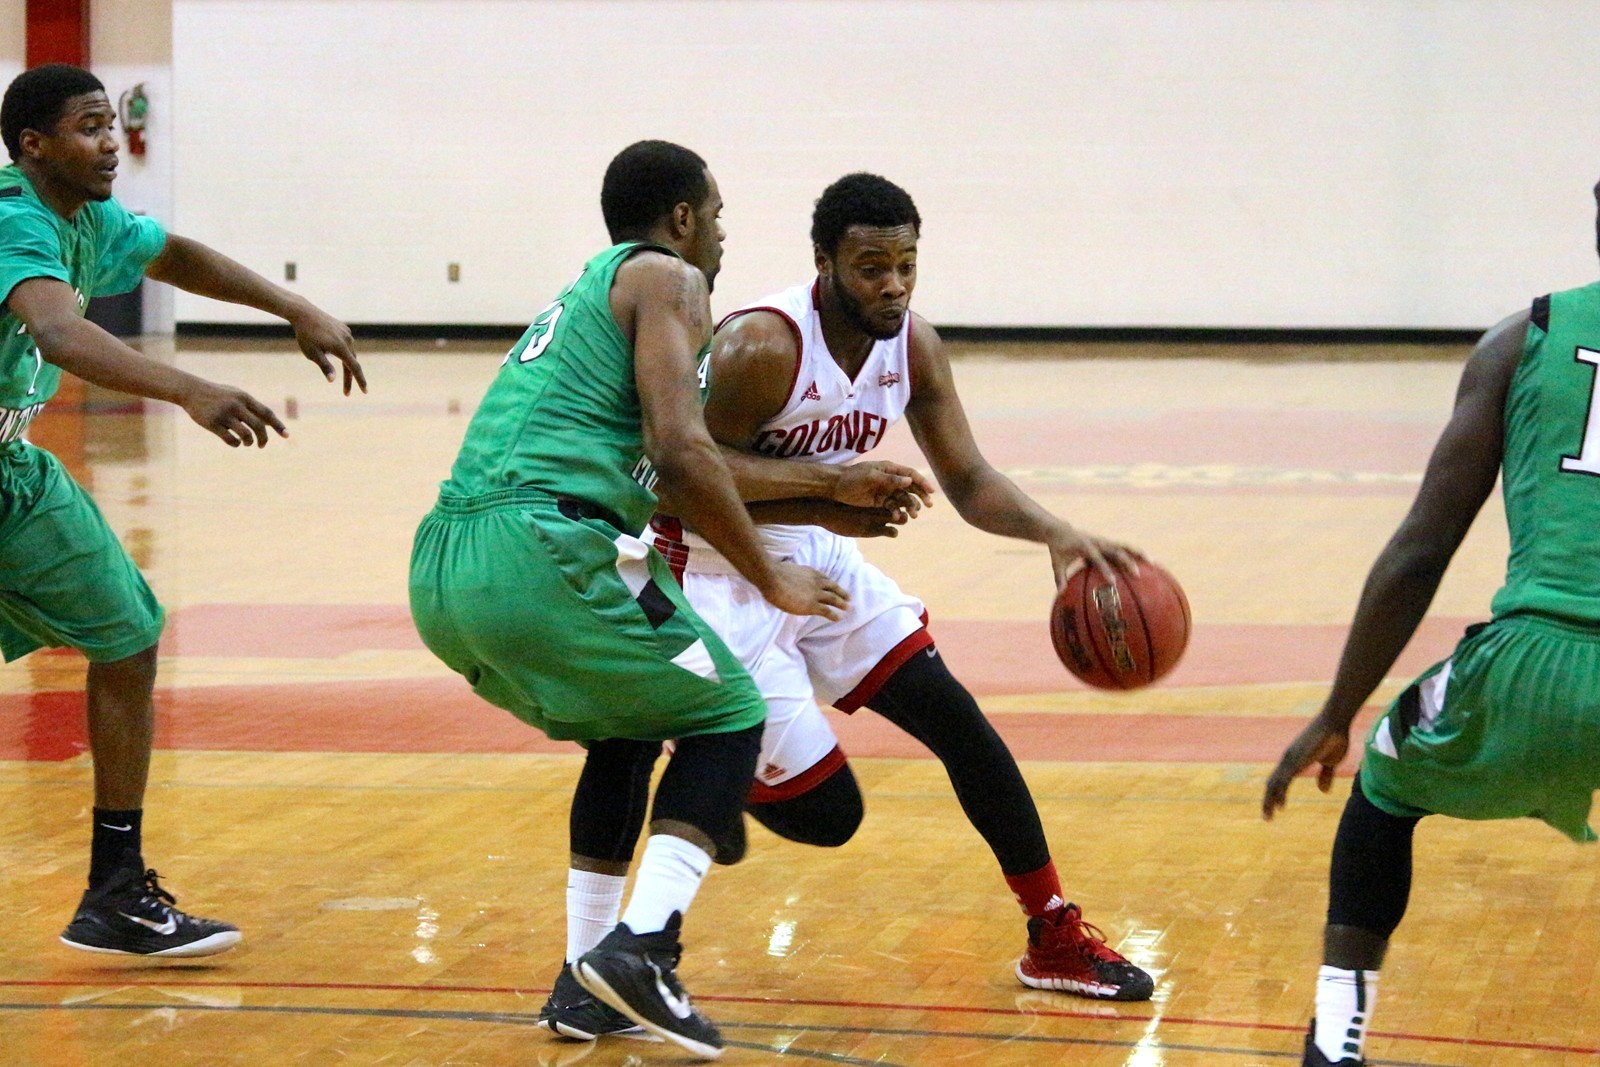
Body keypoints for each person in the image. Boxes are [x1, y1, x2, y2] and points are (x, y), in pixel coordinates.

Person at [537, 171, 1154, 1045]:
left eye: (905, 265)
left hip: (818, 554)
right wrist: (832, 488)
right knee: (832, 817)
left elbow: (970, 480)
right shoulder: (762, 347)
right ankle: (708, 779)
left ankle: (1052, 929)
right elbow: (678, 481)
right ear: (823, 264)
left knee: (959, 722)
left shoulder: (915, 346)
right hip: (717, 574)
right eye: (871, 267)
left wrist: (1054, 533)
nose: (893, 285)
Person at [409, 140, 848, 1060]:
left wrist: (821, 498)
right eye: (719, 213)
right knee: (729, 711)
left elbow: (668, 478)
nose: (724, 233)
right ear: (683, 219)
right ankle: (643, 950)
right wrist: (773, 578)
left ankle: (584, 985)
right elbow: (683, 449)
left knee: (627, 729)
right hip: (546, 546)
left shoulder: (585, 299)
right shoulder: (669, 279)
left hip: (451, 562)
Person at [0, 63, 365, 958]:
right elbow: (56, 331)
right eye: (89, 127)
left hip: (11, 467)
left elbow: (173, 252)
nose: (109, 145)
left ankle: (115, 890)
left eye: (113, 125)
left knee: (125, 635)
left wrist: (293, 305)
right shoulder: (12, 216)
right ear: (33, 145)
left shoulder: (92, 221)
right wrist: (190, 387)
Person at [1263, 179, 1600, 1067]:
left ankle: (1335, 1038)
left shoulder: (1522, 338)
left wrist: (1336, 710)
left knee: (1383, 778)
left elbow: (1420, 550)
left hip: (1533, 662)